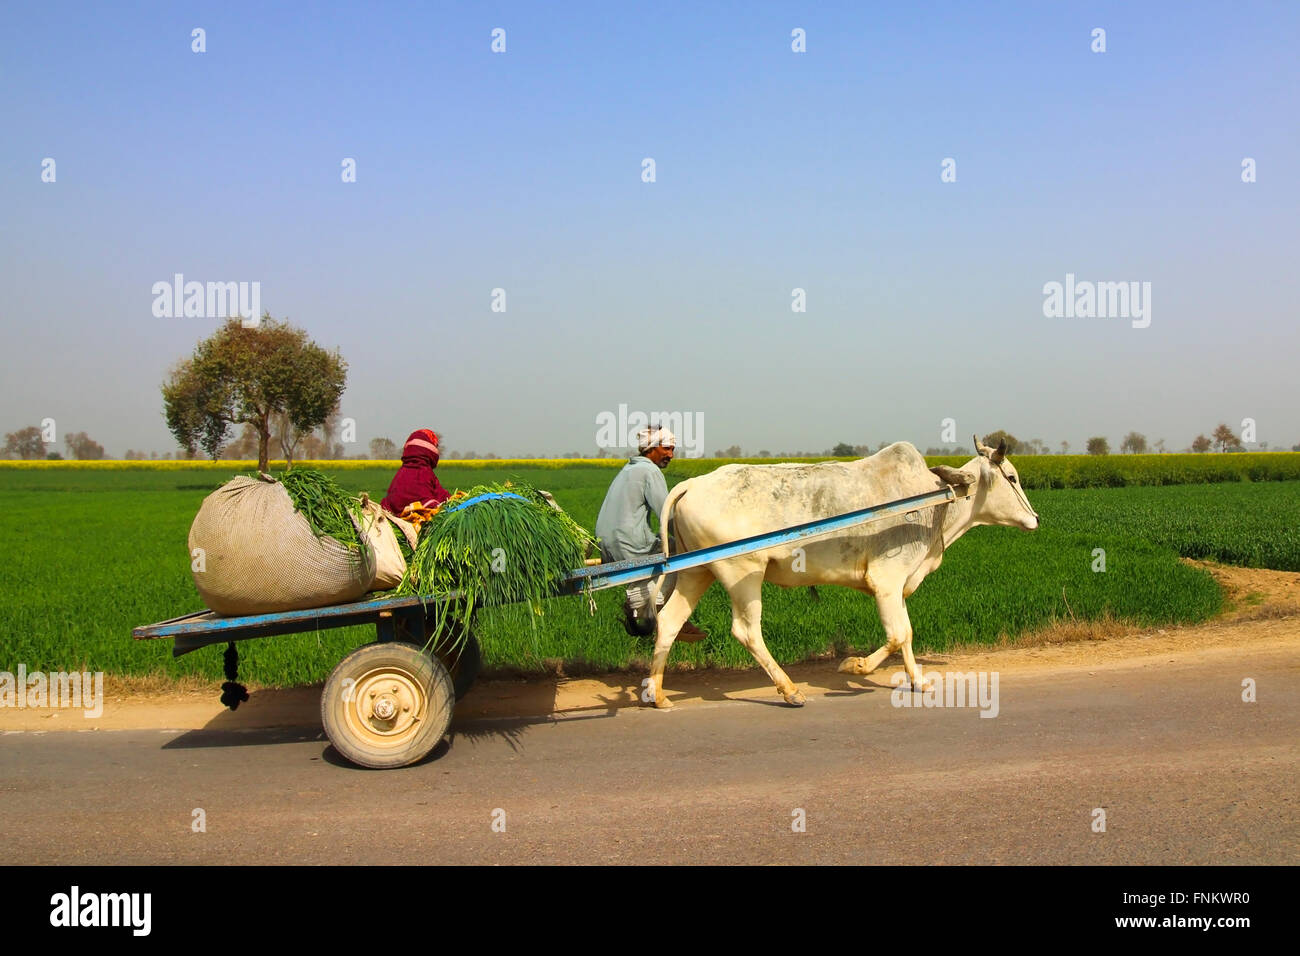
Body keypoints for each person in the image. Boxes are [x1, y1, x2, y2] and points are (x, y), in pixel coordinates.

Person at [595, 425, 706, 640]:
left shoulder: (628, 469)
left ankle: (648, 601)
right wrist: (693, 542)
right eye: (666, 448)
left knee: (670, 547)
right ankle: (663, 611)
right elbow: (667, 516)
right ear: (652, 448)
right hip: (631, 544)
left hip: (607, 545)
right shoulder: (650, 471)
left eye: (673, 449)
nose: (671, 455)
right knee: (683, 553)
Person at [381, 428, 451, 516]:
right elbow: (438, 493)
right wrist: (452, 500)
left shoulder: (401, 472)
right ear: (431, 452)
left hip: (395, 511)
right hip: (418, 511)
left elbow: (393, 493)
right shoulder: (425, 472)